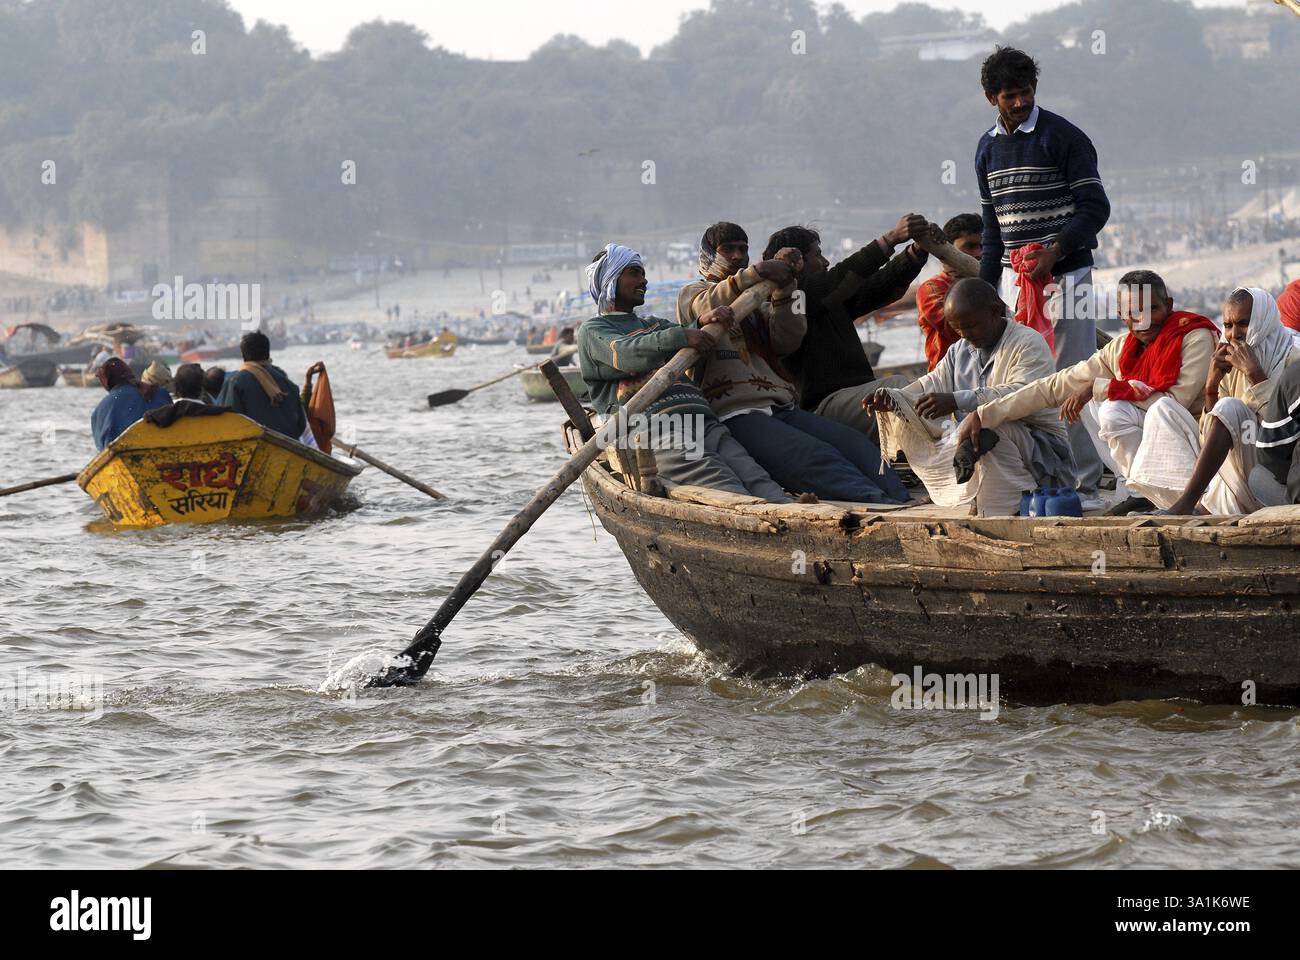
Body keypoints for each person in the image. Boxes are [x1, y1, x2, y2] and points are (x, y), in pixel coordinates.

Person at [677, 222, 910, 504]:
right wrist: (759, 272)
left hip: (780, 408)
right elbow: (705, 305)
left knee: (857, 447)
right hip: (735, 413)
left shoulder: (759, 302)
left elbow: (787, 340)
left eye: (743, 249)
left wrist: (786, 290)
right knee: (814, 458)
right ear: (707, 255)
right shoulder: (693, 292)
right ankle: (883, 507)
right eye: (728, 250)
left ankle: (902, 499)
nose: (737, 256)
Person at [958, 271, 1217, 512]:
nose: (1143, 320)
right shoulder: (1121, 348)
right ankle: (1144, 490)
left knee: (1112, 403)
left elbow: (1174, 404)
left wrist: (1098, 387)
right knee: (1097, 402)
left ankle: (1164, 491)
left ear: (1169, 305)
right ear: (1121, 314)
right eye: (1133, 312)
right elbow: (1053, 386)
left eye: (1152, 309)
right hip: (1159, 444)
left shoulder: (1194, 336)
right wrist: (984, 414)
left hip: (1199, 447)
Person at [976, 46, 1111, 498]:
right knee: (1027, 377)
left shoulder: (1064, 137)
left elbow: (1095, 208)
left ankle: (1084, 482)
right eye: (1010, 96)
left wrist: (1054, 251)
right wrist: (986, 289)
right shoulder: (986, 149)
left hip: (1068, 275)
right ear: (991, 97)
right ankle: (1047, 476)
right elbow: (992, 228)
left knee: (1070, 375)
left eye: (1026, 92)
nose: (1019, 103)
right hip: (1017, 282)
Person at [578, 243, 789, 502]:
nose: (643, 280)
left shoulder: (654, 324)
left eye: (643, 273)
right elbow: (626, 353)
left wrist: (702, 322)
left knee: (753, 474)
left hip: (702, 419)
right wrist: (682, 334)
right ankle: (758, 517)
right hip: (654, 427)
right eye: (634, 273)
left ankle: (788, 508)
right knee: (717, 480)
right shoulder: (594, 330)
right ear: (610, 279)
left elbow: (686, 330)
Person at [865, 278, 1073, 515]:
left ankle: (1005, 509)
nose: (964, 335)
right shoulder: (959, 349)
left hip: (1043, 455)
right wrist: (894, 399)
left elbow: (1021, 394)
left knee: (987, 427)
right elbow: (930, 383)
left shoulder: (1028, 343)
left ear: (995, 312)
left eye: (971, 326)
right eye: (957, 329)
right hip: (981, 442)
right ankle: (986, 501)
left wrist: (958, 400)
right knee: (971, 431)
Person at [763, 214, 932, 434]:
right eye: (818, 255)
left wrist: (916, 253)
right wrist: (891, 239)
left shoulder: (829, 299)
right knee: (900, 389)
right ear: (798, 263)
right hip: (822, 407)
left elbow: (877, 286)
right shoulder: (794, 300)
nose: (825, 262)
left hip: (857, 398)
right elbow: (843, 275)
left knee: (911, 392)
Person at [1152, 287, 1298, 515]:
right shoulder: (1229, 361)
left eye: (1243, 323)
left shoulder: (1292, 359)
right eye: (1228, 325)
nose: (1234, 334)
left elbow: (1285, 433)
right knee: (1162, 409)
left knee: (1231, 407)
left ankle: (1186, 504)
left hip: (1279, 474)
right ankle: (1197, 502)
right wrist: (1211, 387)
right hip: (1243, 466)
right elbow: (1212, 431)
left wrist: (1255, 375)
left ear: (1264, 321)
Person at [915, 214, 982, 371]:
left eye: (982, 246)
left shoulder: (989, 281)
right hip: (948, 382)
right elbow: (960, 330)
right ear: (949, 248)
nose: (979, 253)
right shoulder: (931, 289)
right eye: (970, 246)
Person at [213, 331, 307, 440]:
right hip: (290, 450)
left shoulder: (235, 382)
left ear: (243, 354)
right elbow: (301, 426)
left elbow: (225, 423)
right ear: (267, 352)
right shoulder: (288, 384)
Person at [91, 357, 173, 450]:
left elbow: (101, 448)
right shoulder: (160, 392)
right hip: (165, 446)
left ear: (106, 380)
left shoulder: (101, 409)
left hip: (123, 453)